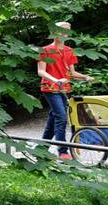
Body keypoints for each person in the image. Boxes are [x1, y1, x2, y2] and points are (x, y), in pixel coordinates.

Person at [37, 21, 95, 159]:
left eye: (68, 30)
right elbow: (41, 71)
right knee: (62, 118)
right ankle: (63, 151)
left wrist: (85, 77)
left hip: (64, 89)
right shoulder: (44, 50)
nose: (65, 33)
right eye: (62, 30)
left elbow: (72, 73)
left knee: (54, 118)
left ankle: (41, 149)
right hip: (50, 88)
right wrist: (55, 80)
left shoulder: (69, 51)